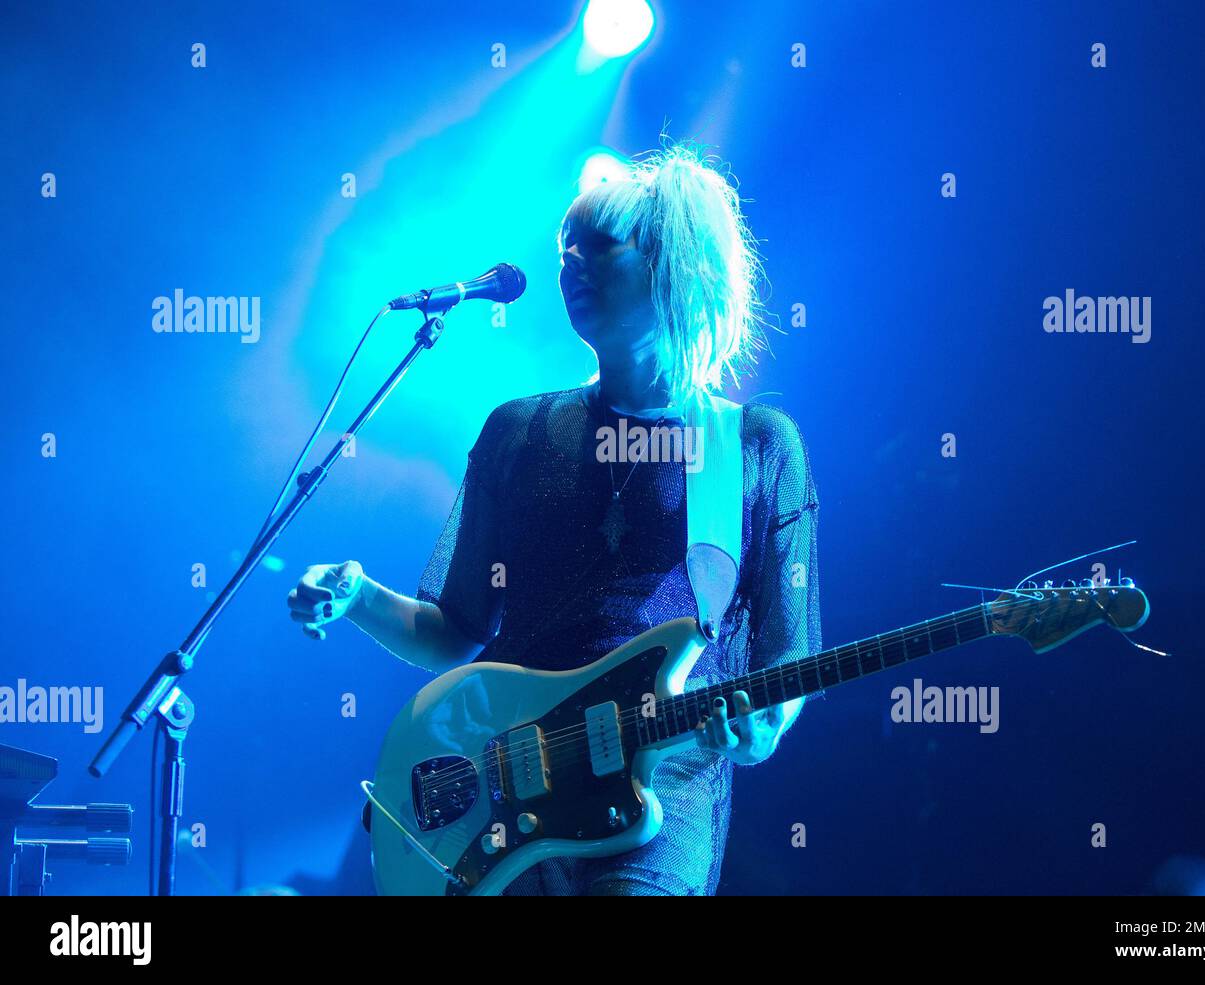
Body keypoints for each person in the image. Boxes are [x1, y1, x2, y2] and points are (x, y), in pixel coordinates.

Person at [287, 144, 820, 895]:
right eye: (565, 249)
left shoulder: (756, 445)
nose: (572, 264)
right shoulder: (518, 432)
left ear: (675, 263)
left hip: (658, 805)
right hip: (506, 797)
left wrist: (763, 729)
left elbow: (787, 659)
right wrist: (359, 594)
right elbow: (455, 627)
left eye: (599, 246)